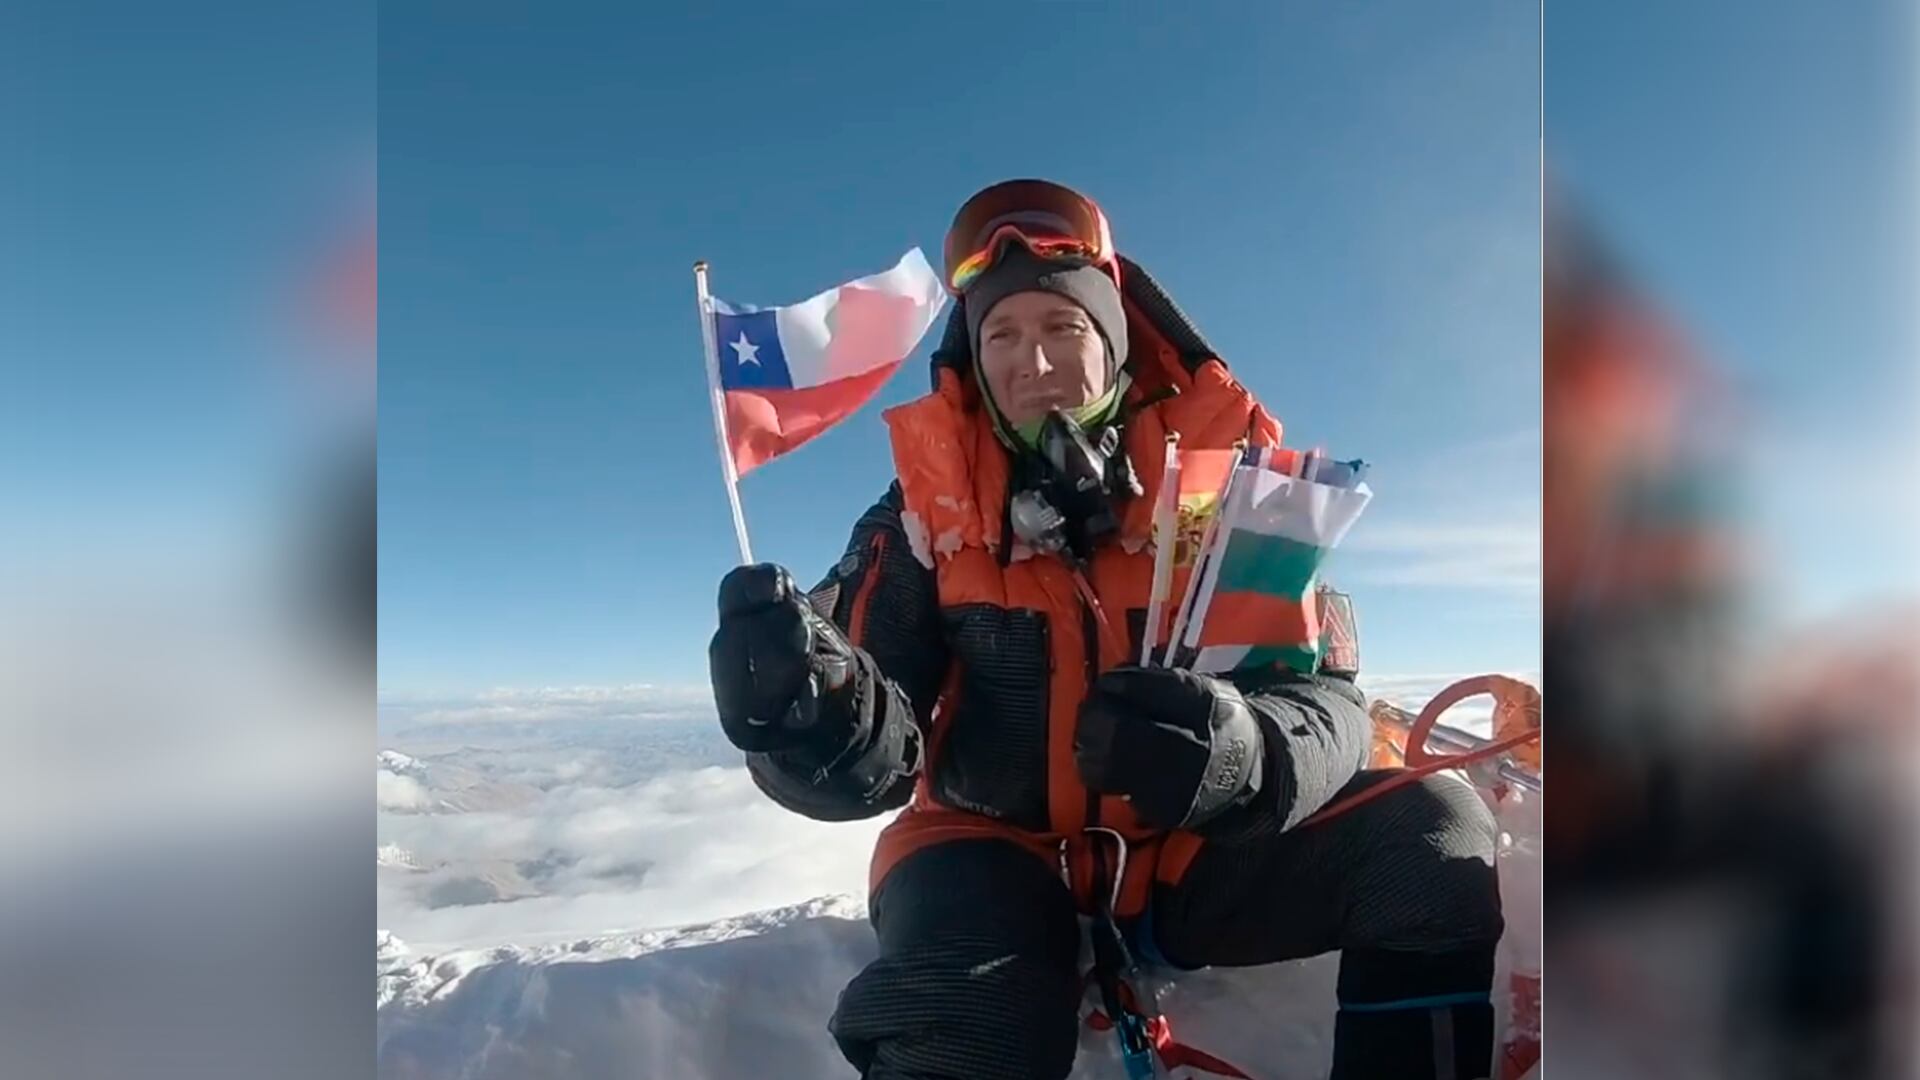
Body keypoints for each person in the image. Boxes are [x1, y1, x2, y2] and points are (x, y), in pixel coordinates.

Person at [707, 179, 1504, 1080]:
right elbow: (873, 744)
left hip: (1185, 857)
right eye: (1002, 334)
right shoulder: (921, 521)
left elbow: (1325, 700)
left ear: (1114, 343)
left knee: (1429, 835)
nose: (1032, 361)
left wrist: (1244, 756)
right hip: (982, 853)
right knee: (975, 1022)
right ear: (972, 359)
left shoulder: (1233, 500)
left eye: (1062, 329)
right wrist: (809, 722)